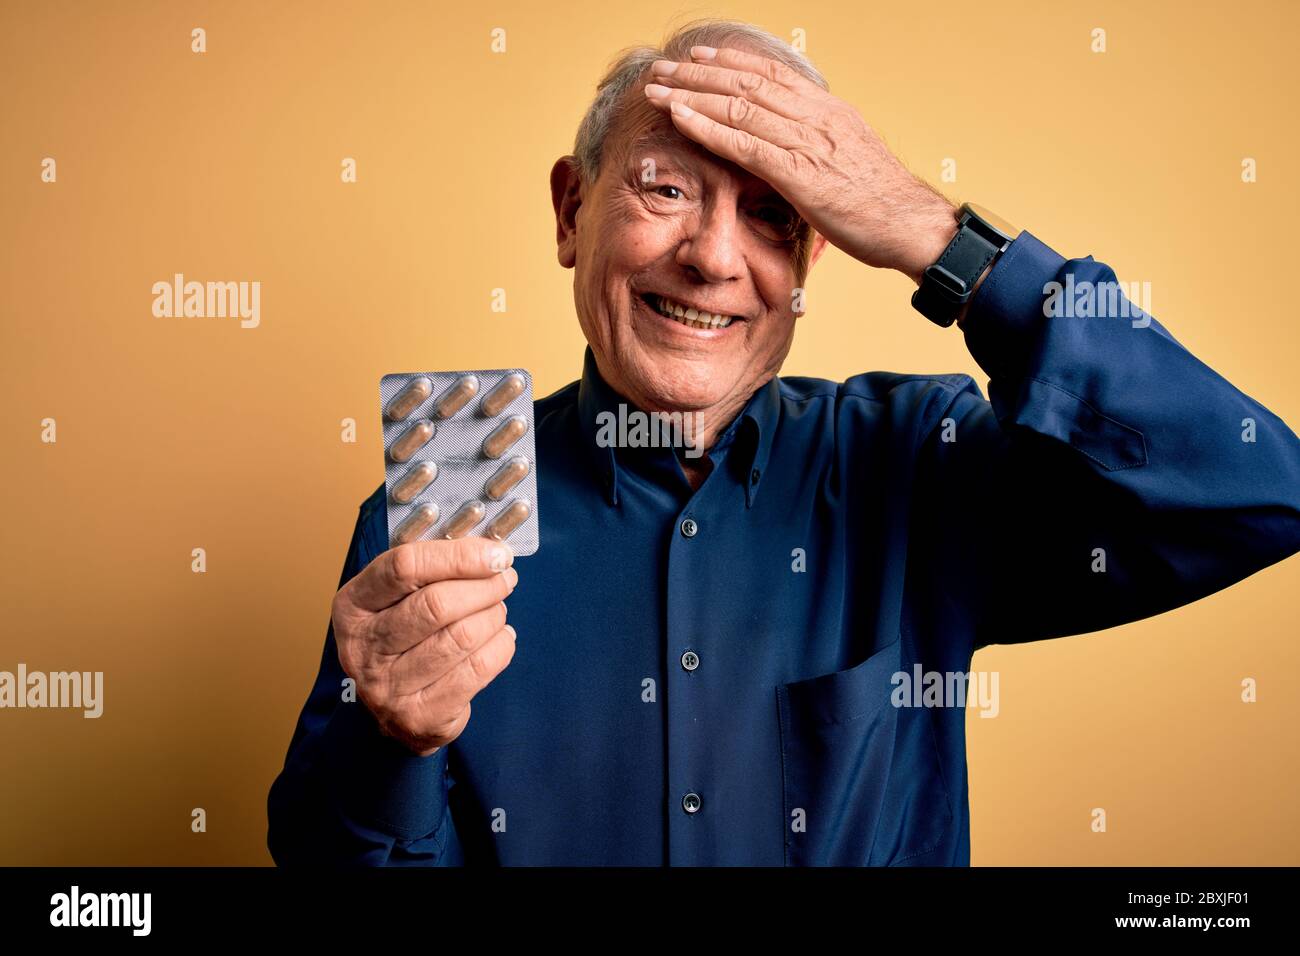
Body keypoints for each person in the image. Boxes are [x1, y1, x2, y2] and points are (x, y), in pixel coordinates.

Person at [267, 18, 1300, 865]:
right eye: (665, 188)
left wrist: (944, 241)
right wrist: (387, 740)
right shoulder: (436, 511)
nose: (715, 256)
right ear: (572, 211)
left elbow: (1255, 485)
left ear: (814, 253)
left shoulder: (918, 465)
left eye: (772, 216)